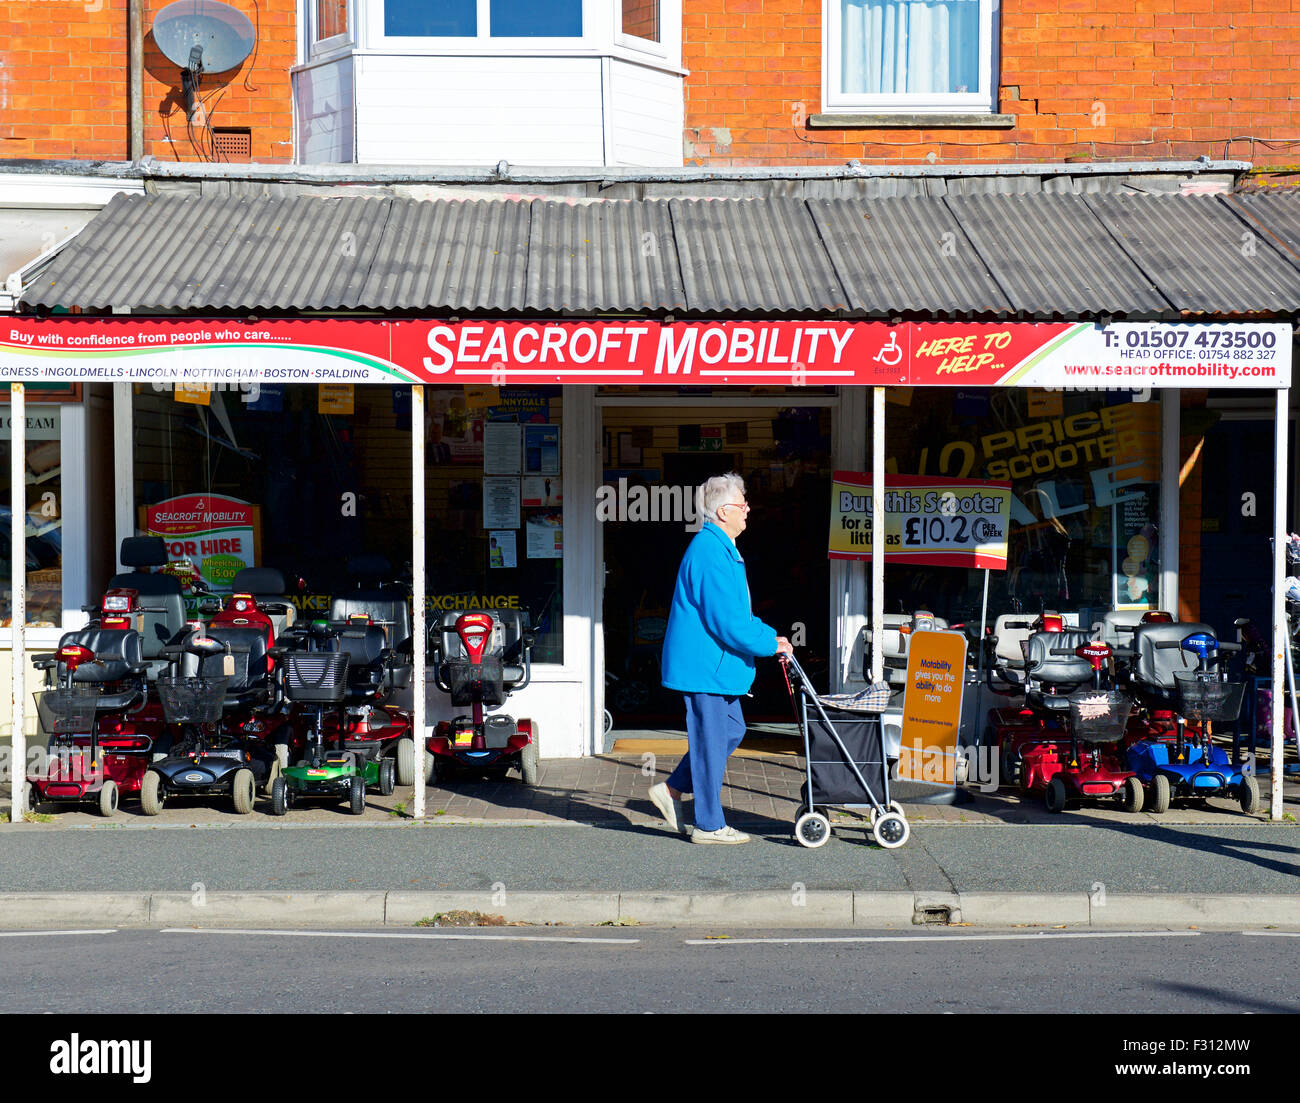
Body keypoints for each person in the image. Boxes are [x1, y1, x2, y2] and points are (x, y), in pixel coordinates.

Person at [649, 473, 792, 844]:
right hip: (705, 667)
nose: (748, 509)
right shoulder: (712, 552)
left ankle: (673, 789)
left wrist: (768, 635)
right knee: (711, 742)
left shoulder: (720, 547)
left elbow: (736, 615)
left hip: (712, 666)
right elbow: (727, 623)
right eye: (743, 503)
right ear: (725, 510)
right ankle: (708, 825)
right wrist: (770, 643)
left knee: (731, 730)